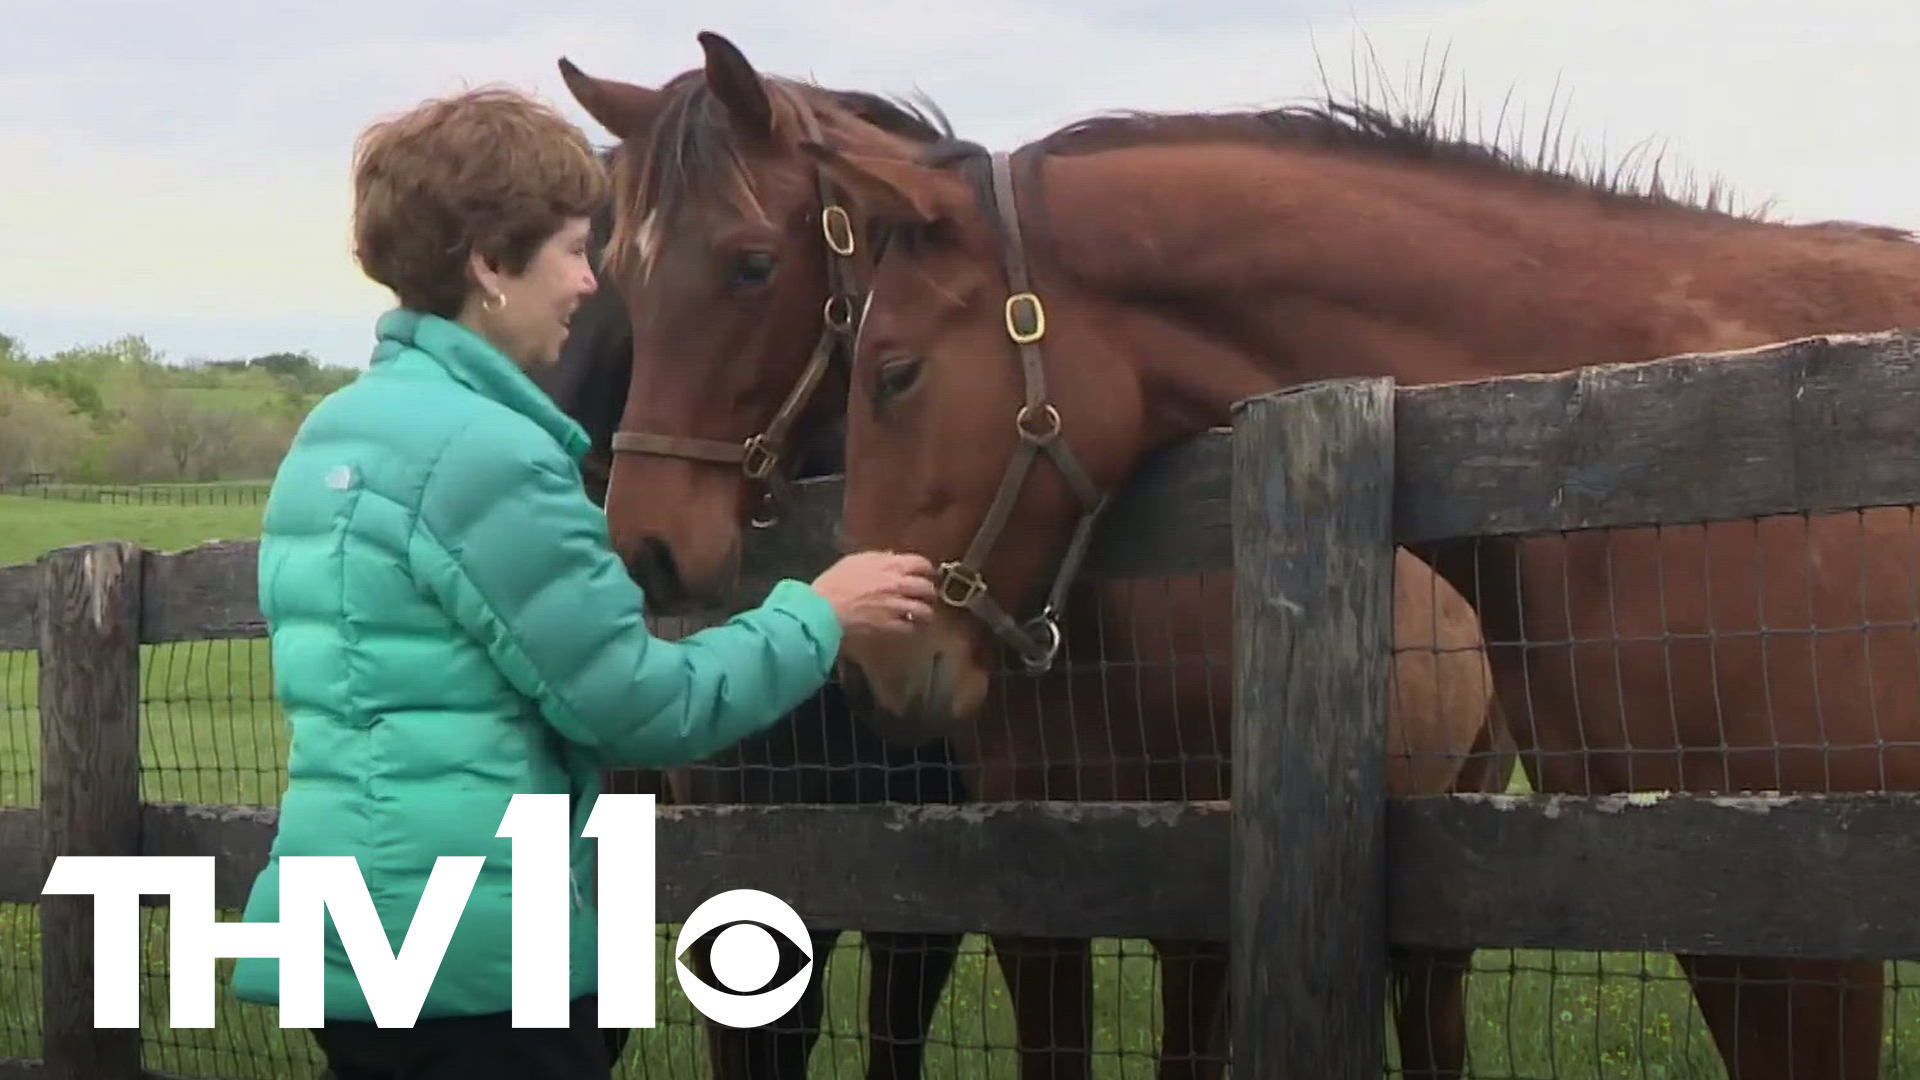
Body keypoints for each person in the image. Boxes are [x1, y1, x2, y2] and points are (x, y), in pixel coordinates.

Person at [226, 85, 937, 1079]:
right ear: (487, 264)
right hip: (470, 956)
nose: (591, 284)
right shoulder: (491, 456)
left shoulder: (332, 437)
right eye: (572, 249)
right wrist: (820, 614)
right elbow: (640, 706)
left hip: (346, 934)